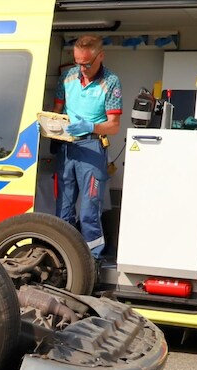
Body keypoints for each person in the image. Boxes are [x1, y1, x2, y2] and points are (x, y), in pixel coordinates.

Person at [54, 34, 123, 260]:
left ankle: (93, 260)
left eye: (87, 63)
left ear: (100, 56)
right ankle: (62, 258)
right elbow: (56, 111)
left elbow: (113, 126)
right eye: (77, 62)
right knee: (62, 211)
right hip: (66, 147)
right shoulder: (67, 77)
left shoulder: (111, 81)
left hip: (92, 146)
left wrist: (91, 125)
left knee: (88, 212)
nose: (82, 68)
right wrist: (49, 125)